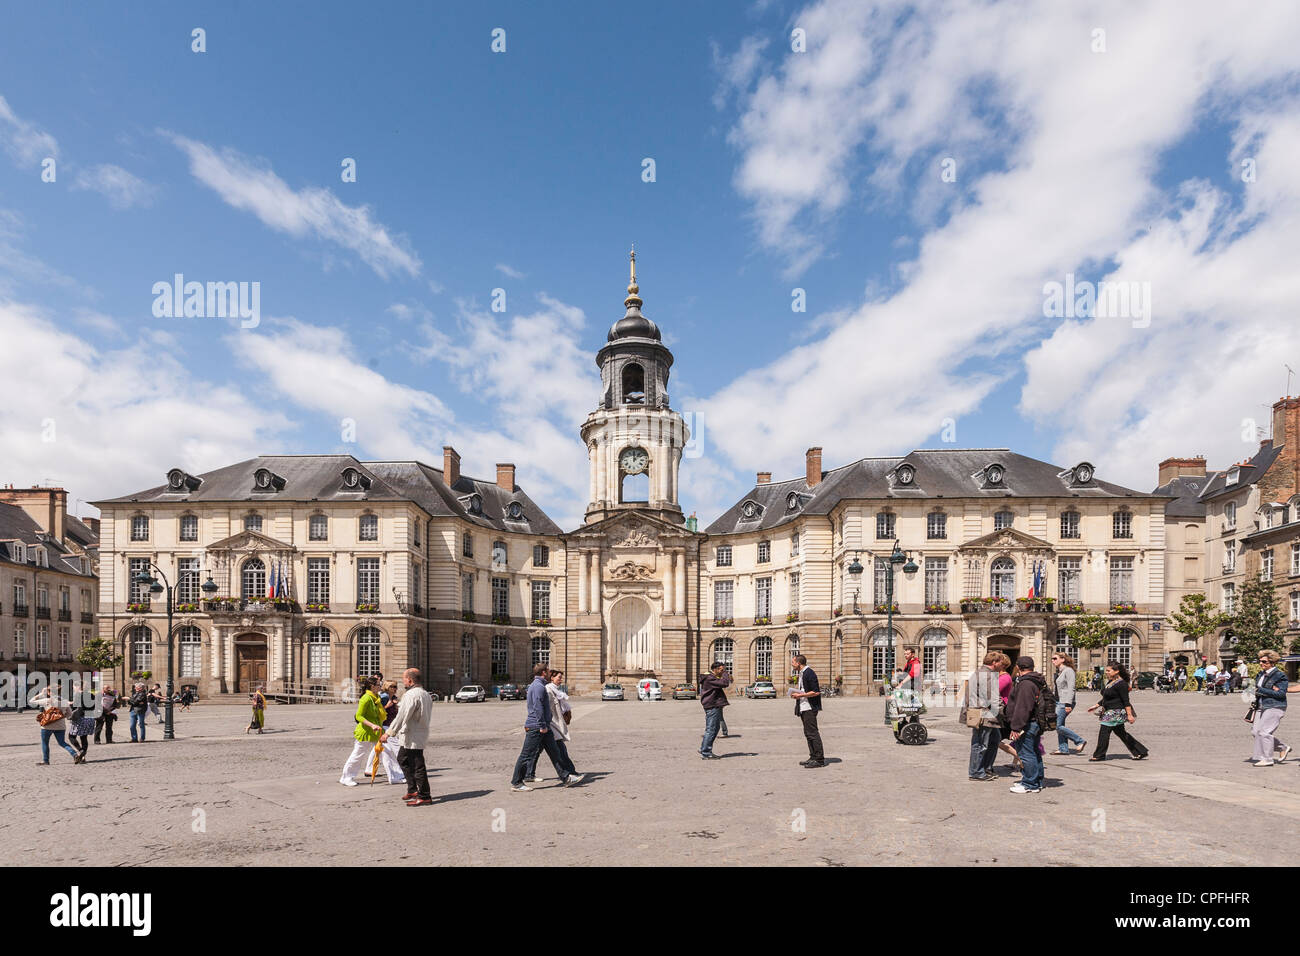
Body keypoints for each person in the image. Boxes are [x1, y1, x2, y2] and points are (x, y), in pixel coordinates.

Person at [510, 664, 580, 790]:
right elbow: (538, 707)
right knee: (527, 755)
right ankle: (517, 782)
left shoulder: (539, 685)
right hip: (537, 727)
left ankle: (566, 777)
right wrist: (542, 725)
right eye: (548, 671)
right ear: (543, 672)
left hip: (544, 726)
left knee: (555, 753)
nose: (549, 673)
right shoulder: (538, 687)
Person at [340, 676, 405, 787]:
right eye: (378, 685)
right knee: (358, 755)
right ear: (372, 686)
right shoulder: (366, 698)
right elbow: (359, 716)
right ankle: (346, 777)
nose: (380, 686)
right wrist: (372, 725)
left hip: (377, 731)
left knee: (388, 752)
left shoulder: (376, 697)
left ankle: (395, 776)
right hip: (365, 732)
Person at [381, 668, 433, 806]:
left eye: (404, 679)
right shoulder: (425, 694)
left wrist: (388, 733)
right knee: (402, 759)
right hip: (417, 732)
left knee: (417, 765)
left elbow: (402, 716)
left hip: (413, 734)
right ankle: (412, 789)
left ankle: (424, 795)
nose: (402, 681)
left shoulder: (411, 695)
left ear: (410, 680)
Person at [1087, 661, 1149, 761]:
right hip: (1109, 710)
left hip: (1116, 712)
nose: (1106, 672)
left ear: (1116, 671)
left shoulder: (1122, 684)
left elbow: (1126, 701)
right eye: (1106, 670)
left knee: (1104, 732)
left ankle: (1099, 755)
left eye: (1108, 670)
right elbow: (1107, 698)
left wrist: (1129, 715)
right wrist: (1096, 706)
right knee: (1121, 733)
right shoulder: (1110, 682)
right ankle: (1140, 751)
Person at [1006, 656, 1047, 793]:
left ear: (1018, 667)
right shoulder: (1035, 680)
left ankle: (1030, 784)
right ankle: (1037, 781)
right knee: (1034, 752)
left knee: (1026, 754)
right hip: (1034, 722)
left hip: (1028, 723)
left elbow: (1023, 707)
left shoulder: (1026, 683)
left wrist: (1016, 727)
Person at [963, 651, 1004, 781]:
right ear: (994, 662)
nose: (1002, 665)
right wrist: (1004, 710)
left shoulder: (978, 672)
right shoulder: (987, 675)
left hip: (980, 712)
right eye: (1001, 663)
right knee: (980, 743)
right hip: (984, 714)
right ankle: (976, 772)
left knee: (994, 739)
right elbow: (993, 698)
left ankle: (985, 767)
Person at [1251, 650, 1290, 767]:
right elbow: (1262, 689)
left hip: (1275, 705)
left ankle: (1267, 759)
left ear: (1272, 662)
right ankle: (1282, 747)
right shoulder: (1260, 674)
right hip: (1261, 705)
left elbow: (1281, 694)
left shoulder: (1280, 675)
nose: (1261, 663)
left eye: (1264, 661)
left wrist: (1261, 690)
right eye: (1260, 661)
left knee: (1264, 732)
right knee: (1255, 732)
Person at [30, 684, 81, 765]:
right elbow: (69, 715)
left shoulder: (47, 700)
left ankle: (46, 760)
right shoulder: (64, 701)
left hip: (47, 726)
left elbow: (31, 701)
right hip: (60, 726)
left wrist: (41, 694)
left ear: (49, 692)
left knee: (45, 743)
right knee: (62, 743)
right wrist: (61, 715)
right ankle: (75, 754)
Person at [791, 654, 824, 768]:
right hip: (803, 707)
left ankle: (819, 759)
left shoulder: (809, 673)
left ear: (799, 663)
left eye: (793, 662)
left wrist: (800, 695)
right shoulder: (802, 673)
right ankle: (813, 757)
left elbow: (816, 692)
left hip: (809, 707)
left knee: (813, 733)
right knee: (807, 733)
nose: (792, 664)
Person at [1050, 654, 1087, 755]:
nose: (1052, 660)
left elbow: (1071, 688)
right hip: (1059, 701)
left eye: (1055, 658)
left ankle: (1079, 741)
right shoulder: (1060, 671)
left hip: (1065, 702)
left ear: (1062, 659)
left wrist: (1068, 704)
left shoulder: (1068, 671)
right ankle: (1063, 748)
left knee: (1057, 726)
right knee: (1060, 725)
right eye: (1052, 659)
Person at [698, 661, 732, 760]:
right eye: (721, 670)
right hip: (712, 705)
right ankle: (706, 752)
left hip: (714, 705)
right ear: (715, 669)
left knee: (715, 728)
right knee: (711, 729)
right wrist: (726, 674)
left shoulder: (710, 677)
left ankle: (704, 748)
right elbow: (724, 683)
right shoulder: (710, 678)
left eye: (723, 670)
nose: (722, 672)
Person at [67, 682, 96, 763]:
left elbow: (75, 707)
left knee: (71, 737)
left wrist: (70, 704)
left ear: (78, 687)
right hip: (90, 718)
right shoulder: (92, 695)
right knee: (84, 738)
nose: (73, 688)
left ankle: (80, 750)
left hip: (81, 718)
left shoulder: (78, 695)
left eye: (74, 687)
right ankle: (83, 757)